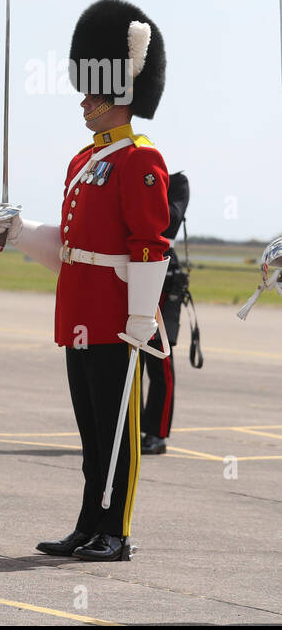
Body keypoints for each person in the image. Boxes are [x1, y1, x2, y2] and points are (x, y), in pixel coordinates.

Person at [0, 0, 170, 562]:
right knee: (93, 436)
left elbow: (148, 245)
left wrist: (140, 316)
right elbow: (71, 249)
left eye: (94, 92)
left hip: (118, 315)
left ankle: (117, 531)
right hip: (82, 314)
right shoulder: (82, 162)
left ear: (121, 93)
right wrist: (18, 232)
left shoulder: (142, 159)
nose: (84, 101)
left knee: (120, 433)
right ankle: (90, 524)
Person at [141, 171, 190, 455]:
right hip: (132, 268)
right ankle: (129, 428)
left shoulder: (176, 182)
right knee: (127, 363)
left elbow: (168, 220)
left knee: (160, 361)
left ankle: (156, 434)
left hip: (163, 278)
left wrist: (145, 187)